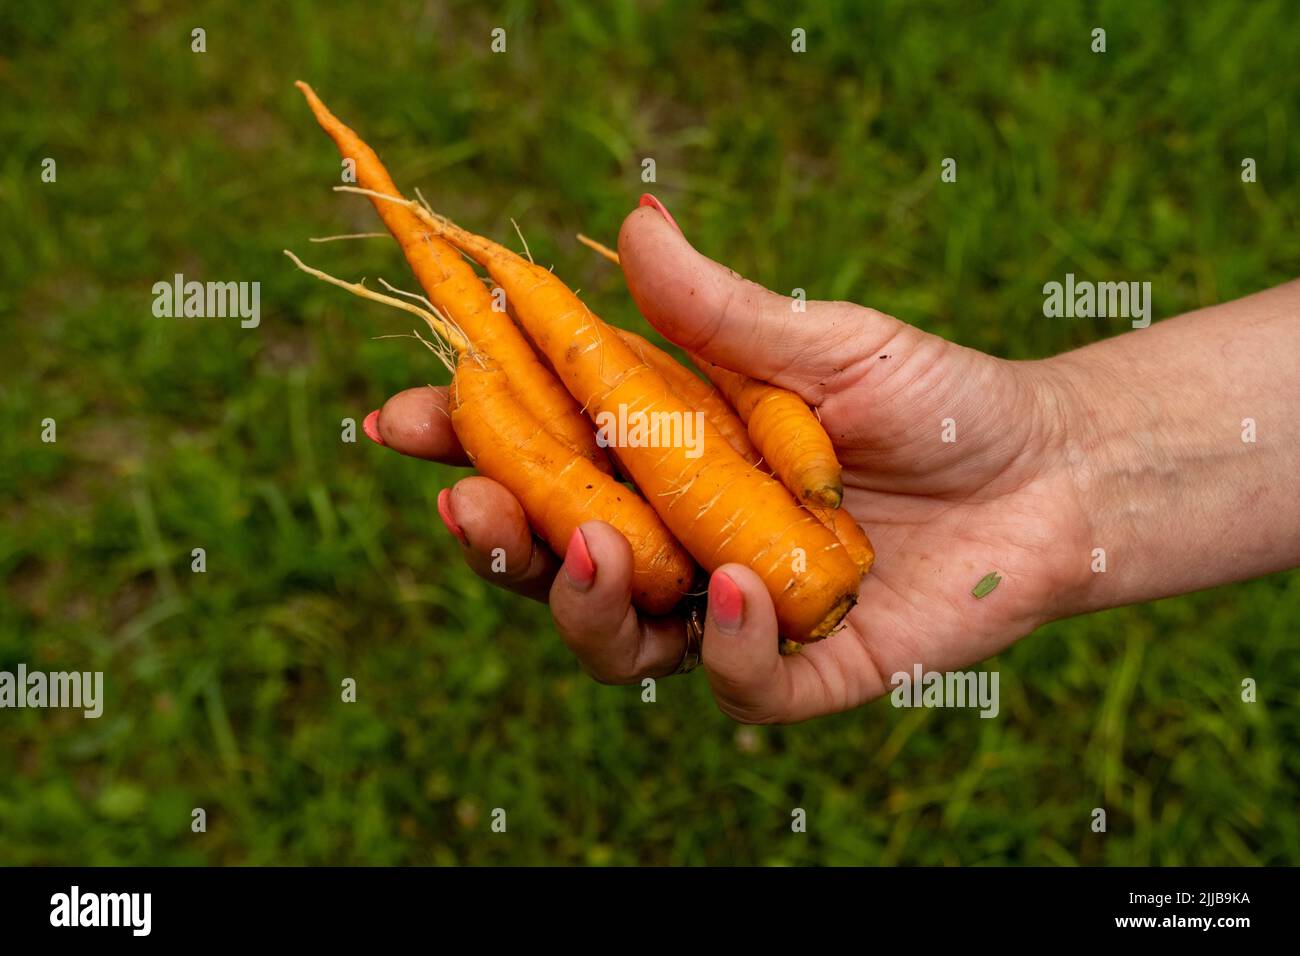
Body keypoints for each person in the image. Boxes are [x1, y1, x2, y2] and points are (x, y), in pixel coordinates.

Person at [360, 195, 1300, 723]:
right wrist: (1063, 455)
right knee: (553, 416)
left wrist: (1061, 464)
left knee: (572, 392)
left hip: (798, 557)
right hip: (796, 557)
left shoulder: (815, 512)